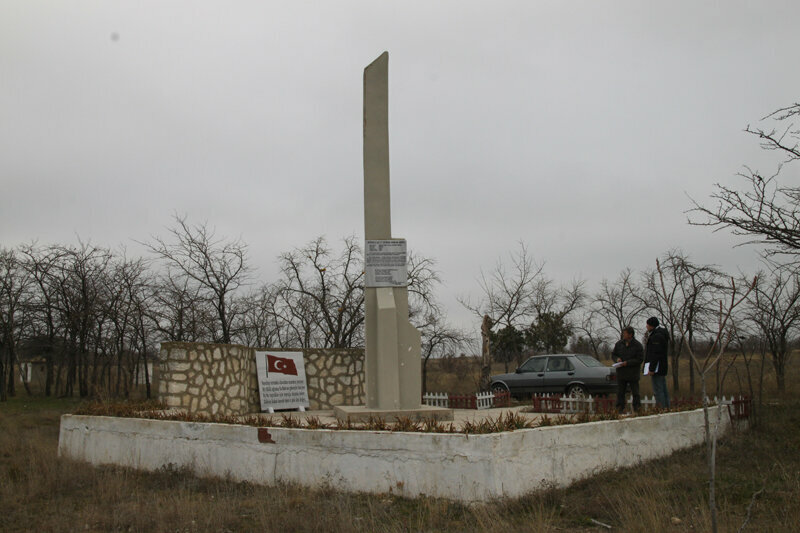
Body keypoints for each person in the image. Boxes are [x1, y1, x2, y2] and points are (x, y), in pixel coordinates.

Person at [612, 326, 643, 413]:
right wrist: (617, 359)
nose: (623, 335)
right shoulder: (619, 344)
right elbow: (613, 354)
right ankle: (620, 409)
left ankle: (637, 409)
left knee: (635, 393)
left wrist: (628, 363)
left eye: (625, 333)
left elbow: (640, 359)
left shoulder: (637, 345)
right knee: (620, 393)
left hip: (633, 373)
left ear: (630, 335)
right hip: (621, 373)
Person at [644, 316, 670, 408]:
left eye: (647, 325)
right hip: (662, 366)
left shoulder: (656, 336)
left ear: (652, 325)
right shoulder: (662, 334)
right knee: (663, 389)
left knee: (658, 390)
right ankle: (667, 407)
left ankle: (661, 408)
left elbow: (656, 354)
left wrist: (652, 368)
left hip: (657, 368)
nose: (646, 326)